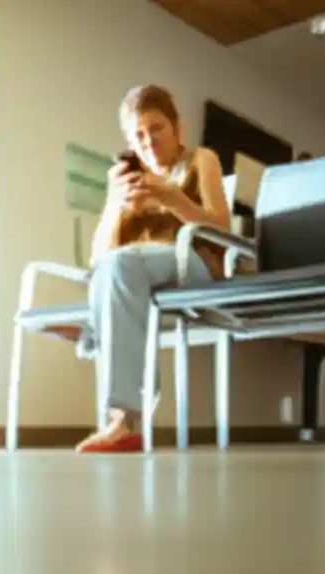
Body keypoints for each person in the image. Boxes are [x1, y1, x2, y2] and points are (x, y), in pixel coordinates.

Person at [76, 85, 232, 453]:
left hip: (192, 263)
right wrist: (114, 204)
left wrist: (170, 197)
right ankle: (125, 414)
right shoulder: (130, 181)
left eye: (156, 128)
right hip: (136, 274)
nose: (148, 140)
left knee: (121, 264)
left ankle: (121, 410)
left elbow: (222, 232)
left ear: (177, 128)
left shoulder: (200, 160)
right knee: (109, 267)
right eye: (138, 134)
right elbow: (97, 257)